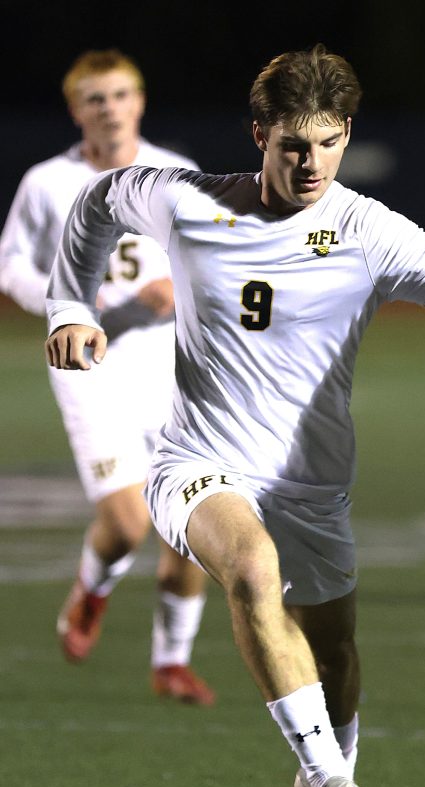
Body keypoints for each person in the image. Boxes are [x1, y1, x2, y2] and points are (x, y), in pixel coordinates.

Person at [43, 44, 425, 787]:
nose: (313, 163)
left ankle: (328, 767)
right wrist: (70, 303)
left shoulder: (365, 230)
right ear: (259, 135)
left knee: (335, 651)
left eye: (330, 142)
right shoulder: (186, 203)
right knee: (250, 569)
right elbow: (95, 204)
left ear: (347, 134)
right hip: (197, 462)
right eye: (293, 146)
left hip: (310, 484)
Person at [0, 50, 214, 705]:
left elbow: (216, 258)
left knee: (197, 523)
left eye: (121, 95)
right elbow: (12, 269)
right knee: (126, 523)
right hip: (87, 364)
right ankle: (90, 593)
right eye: (96, 99)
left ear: (139, 102)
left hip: (171, 367)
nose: (110, 109)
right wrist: (68, 301)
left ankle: (170, 660)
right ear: (77, 110)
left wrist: (179, 286)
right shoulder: (47, 182)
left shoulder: (174, 174)